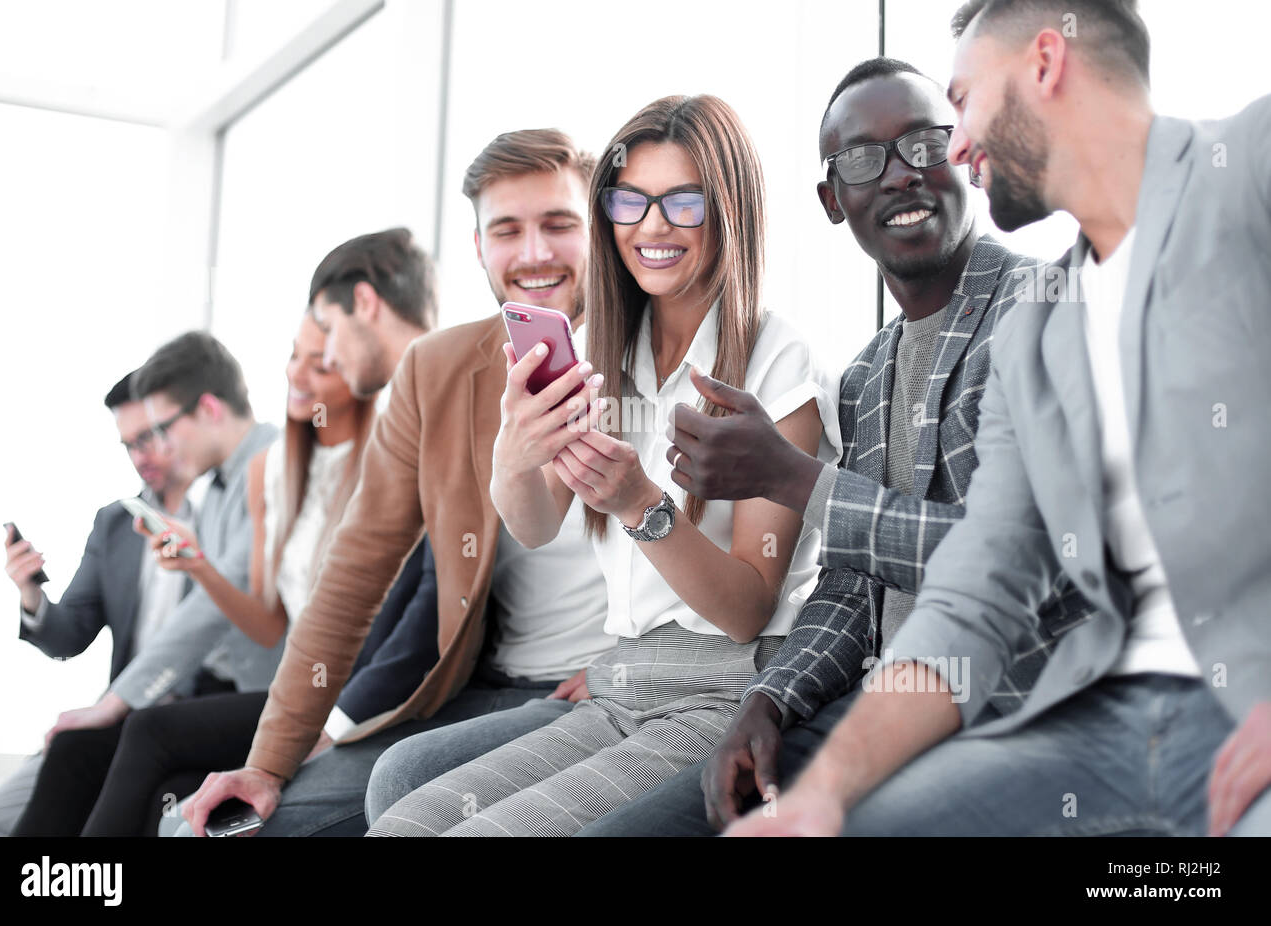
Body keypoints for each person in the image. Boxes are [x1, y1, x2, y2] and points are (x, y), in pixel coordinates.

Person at [729, 0, 1271, 837]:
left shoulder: (1248, 172)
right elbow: (979, 593)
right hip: (1102, 723)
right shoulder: (1041, 337)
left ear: (1047, 64)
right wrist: (823, 793)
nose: (956, 150)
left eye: (961, 106)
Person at [576, 58, 1096, 837]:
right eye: (861, 160)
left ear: (964, 157)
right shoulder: (867, 375)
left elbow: (1035, 562)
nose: (899, 177)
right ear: (832, 200)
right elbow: (852, 591)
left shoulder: (1045, 310)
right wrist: (769, 702)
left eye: (923, 145)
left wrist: (796, 480)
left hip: (1013, 718)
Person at [366, 94, 839, 837]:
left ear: (729, 211)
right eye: (631, 201)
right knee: (406, 815)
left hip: (721, 692)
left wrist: (640, 504)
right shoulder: (603, 354)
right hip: (622, 683)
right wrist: (515, 451)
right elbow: (535, 522)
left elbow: (747, 609)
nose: (651, 227)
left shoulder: (779, 359)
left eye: (683, 202)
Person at [181, 130, 617, 837]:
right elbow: (355, 571)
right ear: (478, 247)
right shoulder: (435, 369)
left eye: (558, 224)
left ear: (596, 228)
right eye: (506, 230)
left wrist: (638, 666)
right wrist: (266, 762)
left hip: (600, 699)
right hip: (473, 689)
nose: (533, 252)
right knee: (242, 828)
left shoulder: (658, 354)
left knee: (406, 796)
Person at [58, 301, 417, 835]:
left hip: (324, 693)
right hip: (292, 689)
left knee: (148, 734)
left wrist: (326, 724)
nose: (295, 374)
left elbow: (380, 619)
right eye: (295, 358)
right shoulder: (269, 472)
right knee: (149, 781)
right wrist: (198, 566)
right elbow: (267, 619)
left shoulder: (362, 464)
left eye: (320, 364)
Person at [11, 332, 279, 835]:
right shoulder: (215, 488)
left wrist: (114, 701)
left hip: (271, 689)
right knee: (83, 748)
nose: (157, 449)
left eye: (161, 430)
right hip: (233, 688)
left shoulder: (271, 466)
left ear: (207, 409)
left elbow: (218, 610)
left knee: (146, 729)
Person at [0, 371, 196, 836]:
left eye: (149, 437)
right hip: (117, 712)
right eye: (128, 444)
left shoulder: (227, 511)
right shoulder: (115, 523)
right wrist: (31, 593)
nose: (140, 456)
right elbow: (69, 636)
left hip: (195, 716)